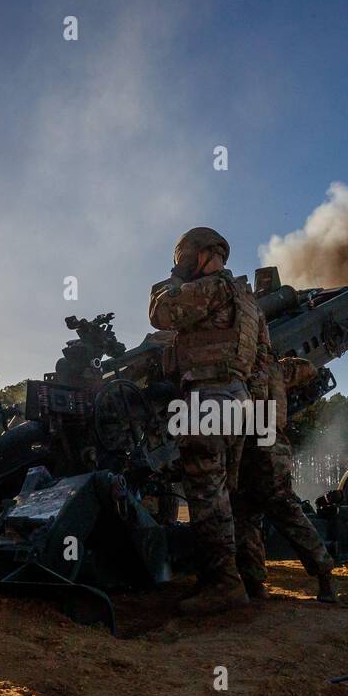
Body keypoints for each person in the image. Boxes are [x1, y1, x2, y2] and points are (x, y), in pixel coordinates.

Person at [149, 227, 260, 615]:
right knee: (228, 495)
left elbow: (160, 313)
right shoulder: (246, 301)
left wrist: (175, 279)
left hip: (208, 399)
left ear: (199, 254)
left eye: (183, 256)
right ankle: (246, 576)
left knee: (205, 495)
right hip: (239, 399)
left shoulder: (212, 287)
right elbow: (263, 359)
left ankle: (223, 586)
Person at [232, 344, 337, 603]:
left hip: (255, 445)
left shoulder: (240, 368)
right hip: (259, 443)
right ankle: (257, 584)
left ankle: (322, 576)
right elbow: (310, 369)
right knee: (251, 516)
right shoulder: (277, 368)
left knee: (272, 512)